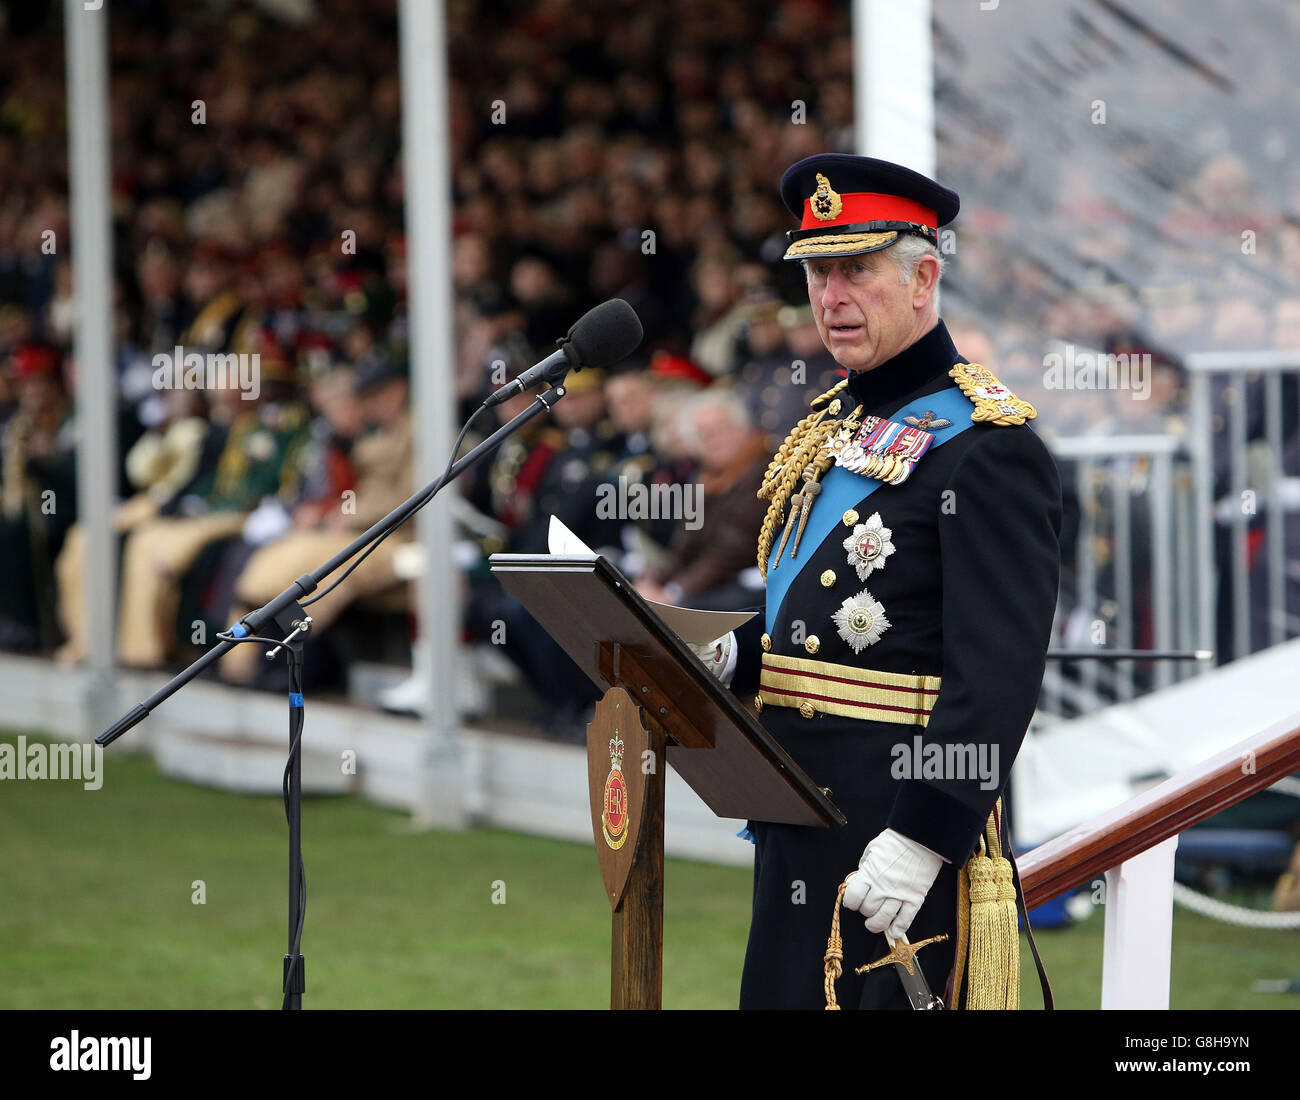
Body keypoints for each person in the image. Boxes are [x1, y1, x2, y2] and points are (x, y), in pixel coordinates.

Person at [697, 154, 1061, 1010]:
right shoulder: (834, 421)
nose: (830, 297)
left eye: (855, 270)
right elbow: (820, 608)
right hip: (797, 809)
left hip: (893, 829)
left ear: (924, 278)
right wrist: (735, 653)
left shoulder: (987, 444)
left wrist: (926, 833)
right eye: (819, 273)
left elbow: (996, 675)